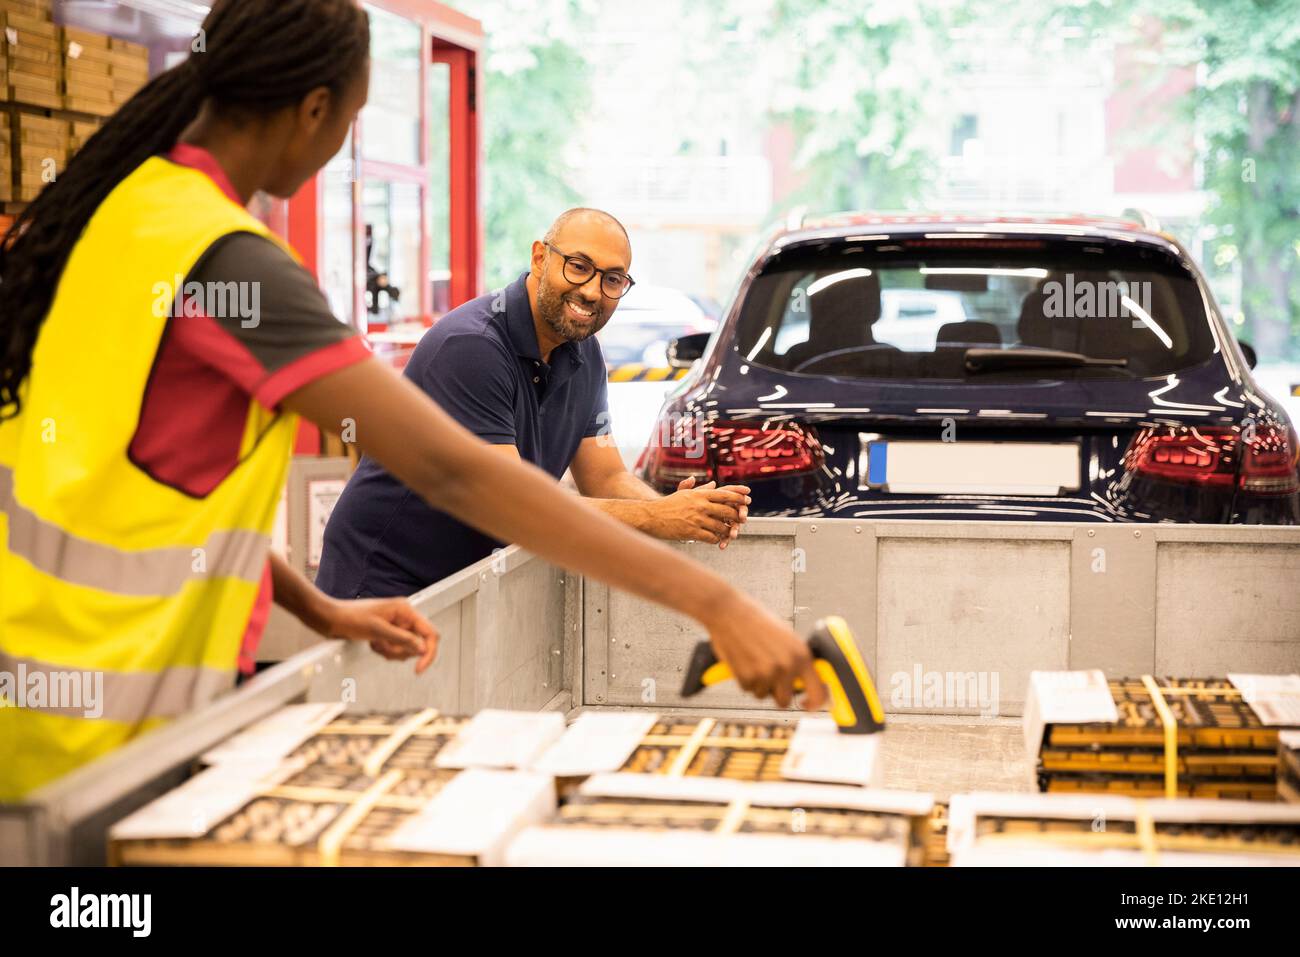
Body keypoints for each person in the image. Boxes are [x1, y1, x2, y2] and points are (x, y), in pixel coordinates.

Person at [0, 0, 823, 801]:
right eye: (351, 122)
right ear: (314, 109)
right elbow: (455, 472)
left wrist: (319, 609)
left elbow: (151, 492)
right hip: (99, 717)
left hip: (38, 678)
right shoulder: (230, 266)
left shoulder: (128, 211)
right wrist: (716, 602)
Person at [317, 207, 752, 600]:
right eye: (579, 267)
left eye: (612, 279)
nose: (592, 291)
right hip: (384, 582)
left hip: (465, 581)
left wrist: (680, 510)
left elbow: (606, 476)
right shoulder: (472, 347)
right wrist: (657, 521)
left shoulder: (584, 355)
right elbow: (511, 506)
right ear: (540, 258)